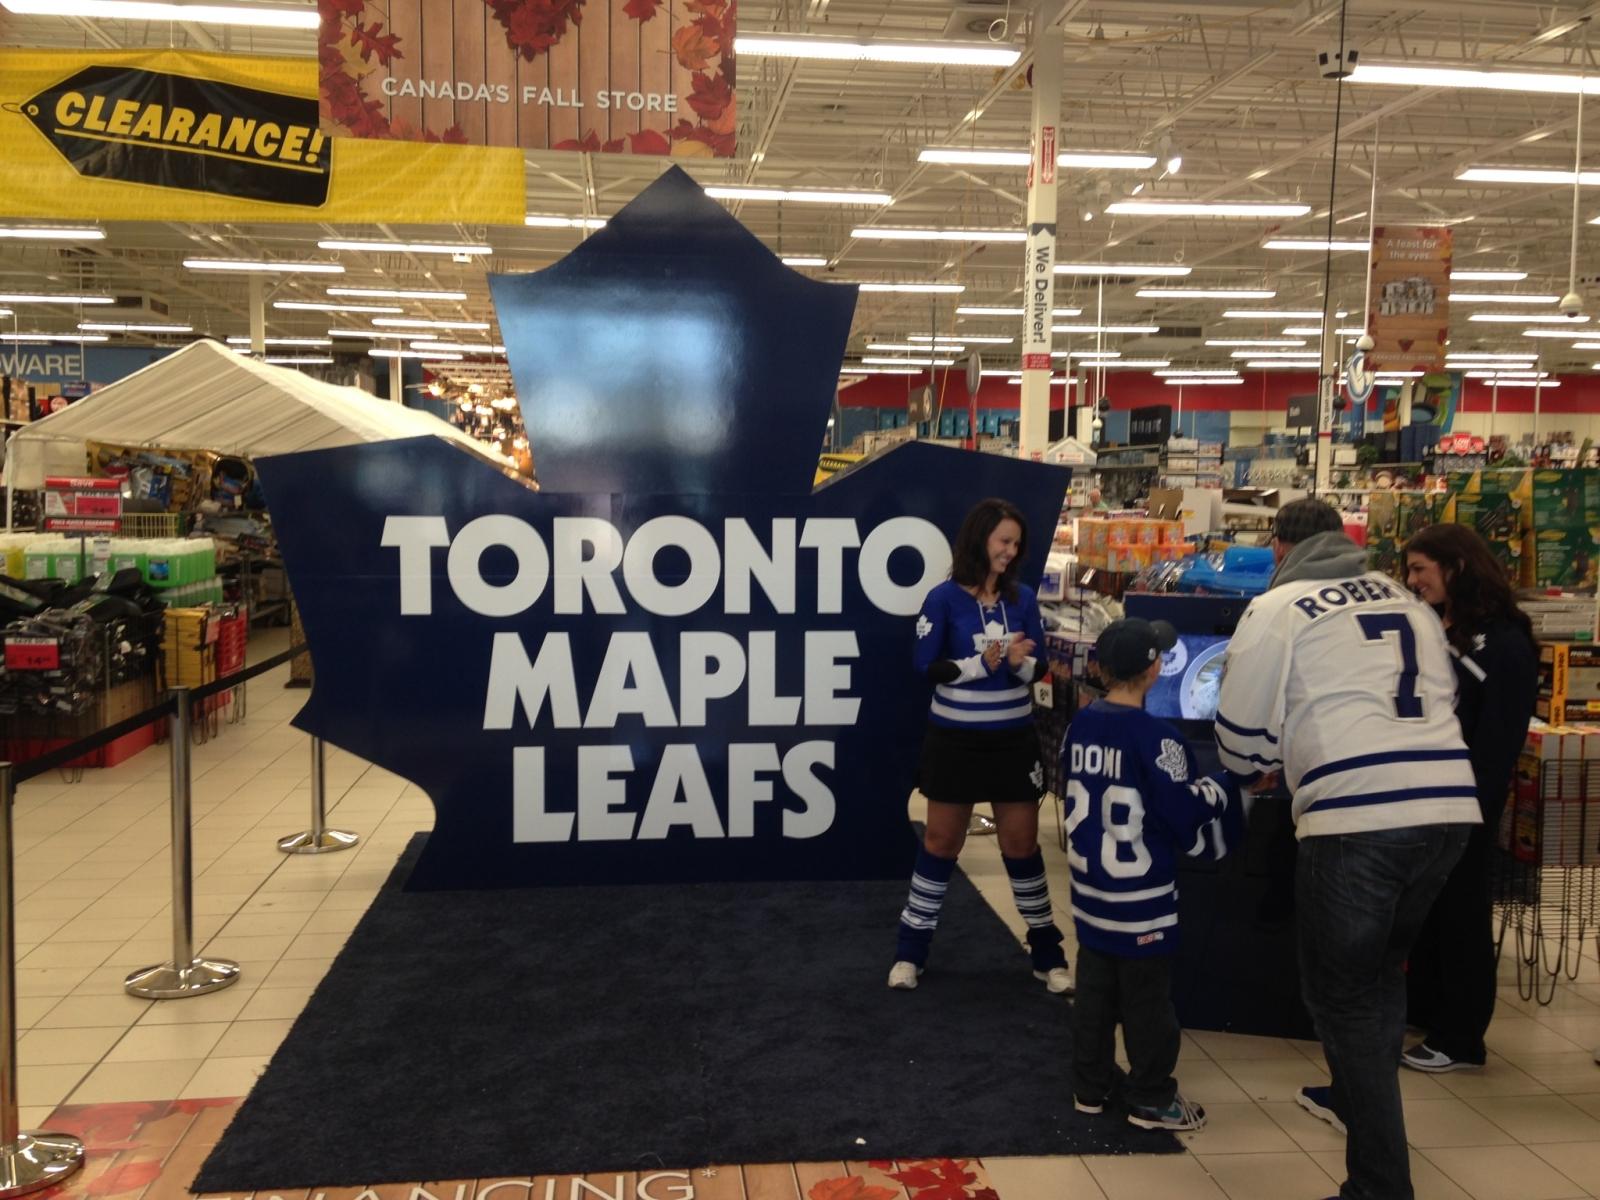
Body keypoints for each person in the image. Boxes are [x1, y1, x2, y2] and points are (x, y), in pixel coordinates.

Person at [1214, 498, 1479, 1200]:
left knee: (1344, 1000)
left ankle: (1380, 1185)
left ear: (1279, 551)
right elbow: (1441, 692)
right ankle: (1372, 1142)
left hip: (1356, 817)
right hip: (1449, 810)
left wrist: (1260, 765)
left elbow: (1239, 728)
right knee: (1381, 981)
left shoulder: (1281, 608)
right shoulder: (1405, 598)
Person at [1064, 617, 1256, 1131]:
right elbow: (1183, 815)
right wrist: (1225, 783)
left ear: (1101, 668)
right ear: (1154, 670)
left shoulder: (1079, 724)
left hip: (1090, 894)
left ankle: (1090, 1085)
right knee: (1148, 1003)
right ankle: (1150, 1097)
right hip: (1141, 900)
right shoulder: (1159, 737)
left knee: (1095, 995)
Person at [889, 497, 1072, 994]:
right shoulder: (942, 599)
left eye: (1016, 544)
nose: (1011, 552)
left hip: (1013, 741)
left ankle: (1049, 955)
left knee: (1021, 846)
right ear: (979, 541)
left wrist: (1014, 663)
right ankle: (910, 952)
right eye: (1003, 542)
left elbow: (1042, 670)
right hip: (954, 741)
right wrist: (982, 665)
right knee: (940, 844)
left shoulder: (1024, 599)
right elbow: (924, 667)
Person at [1401, 524, 1538, 1073]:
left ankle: (1462, 1037)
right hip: (1427, 792)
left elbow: (1498, 735)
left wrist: (1472, 804)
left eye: (1420, 570)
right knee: (1430, 910)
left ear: (1455, 568)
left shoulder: (1503, 640)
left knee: (1462, 913)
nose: (1411, 581)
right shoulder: (1436, 624)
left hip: (1467, 800)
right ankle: (1429, 1010)